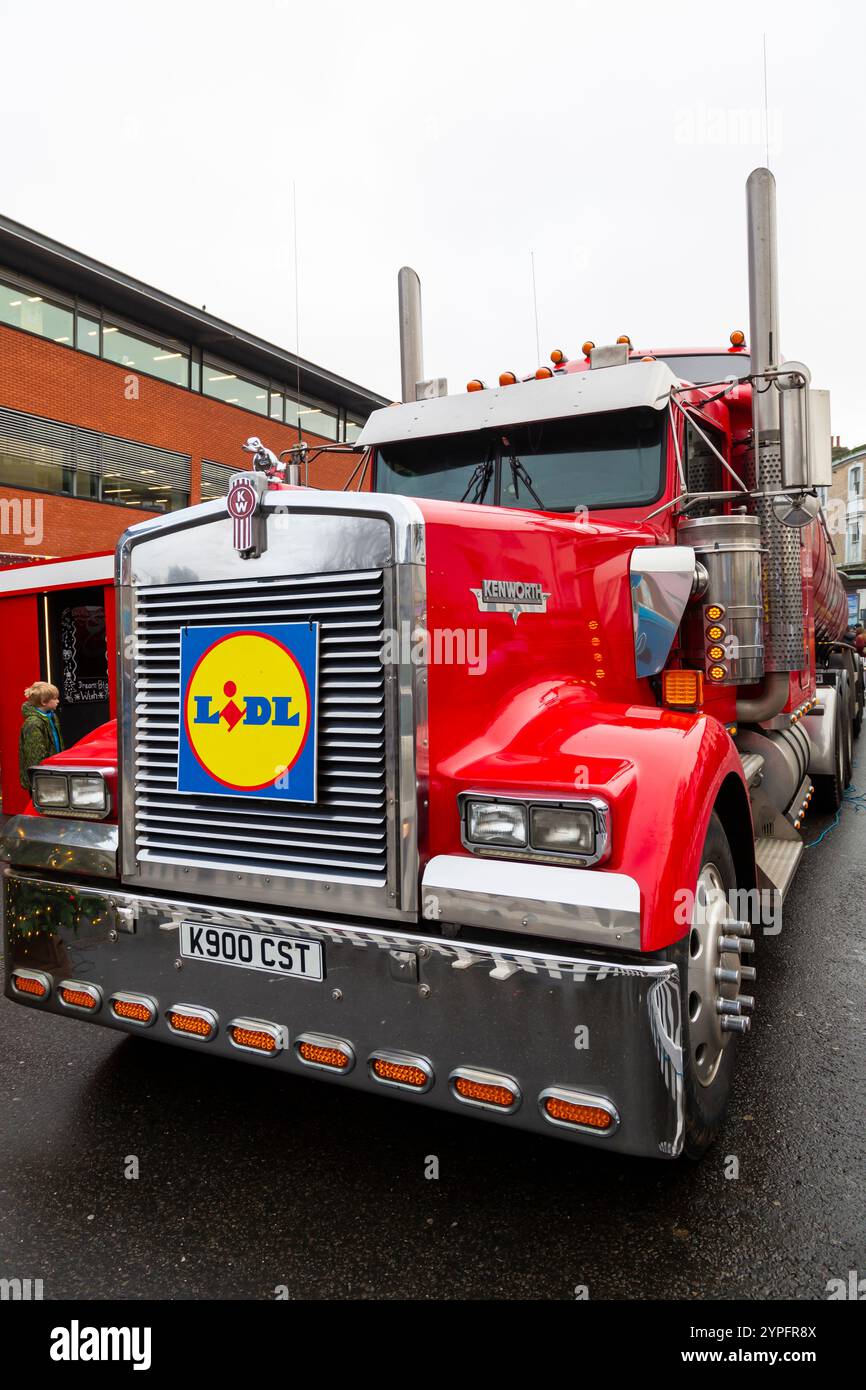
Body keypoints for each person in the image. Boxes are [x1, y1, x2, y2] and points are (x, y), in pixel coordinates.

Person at [19, 681, 64, 792]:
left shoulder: (51, 717)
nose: (58, 701)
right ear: (44, 702)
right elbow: (35, 756)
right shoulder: (33, 723)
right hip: (42, 779)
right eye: (55, 698)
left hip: (53, 771)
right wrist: (41, 780)